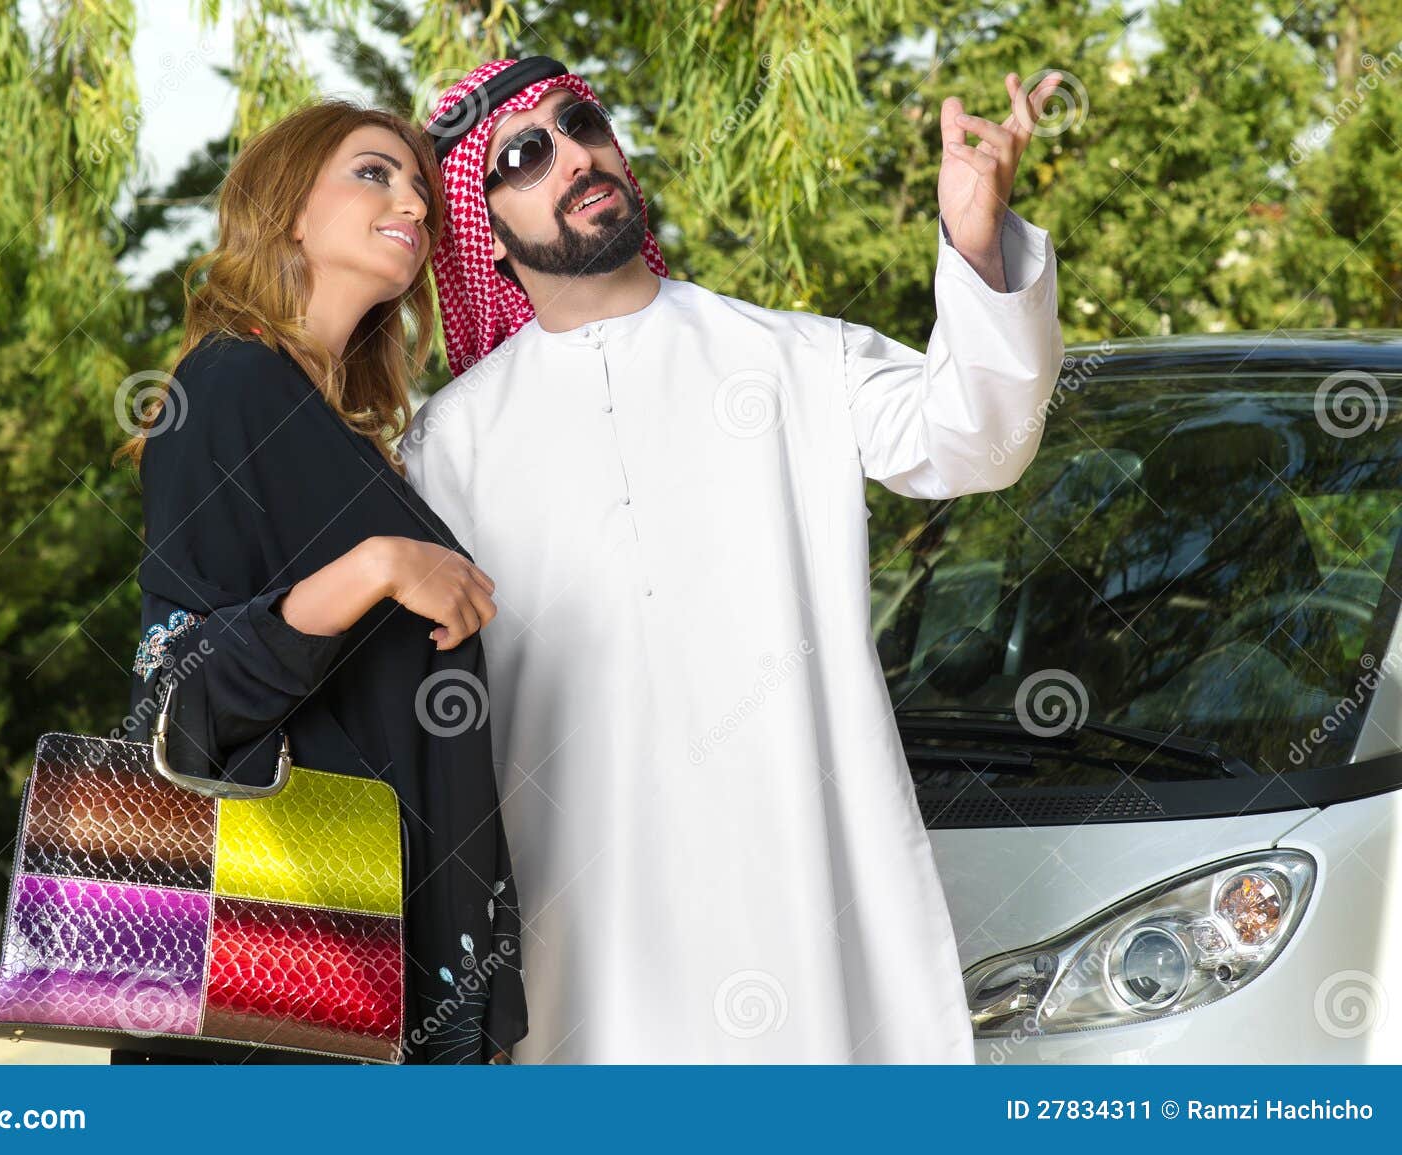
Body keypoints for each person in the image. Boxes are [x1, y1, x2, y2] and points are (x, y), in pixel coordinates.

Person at [399, 57, 1065, 1062]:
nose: (575, 154)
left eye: (582, 122)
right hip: (581, 949)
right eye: (526, 155)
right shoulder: (447, 447)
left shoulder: (793, 359)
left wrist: (974, 245)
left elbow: (977, 437)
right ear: (482, 234)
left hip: (800, 922)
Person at [108, 99, 526, 1064]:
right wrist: (377, 568)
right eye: (374, 172)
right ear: (290, 208)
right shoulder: (225, 382)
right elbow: (182, 696)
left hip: (390, 935)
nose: (413, 205)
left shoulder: (353, 438)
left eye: (422, 189)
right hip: (287, 936)